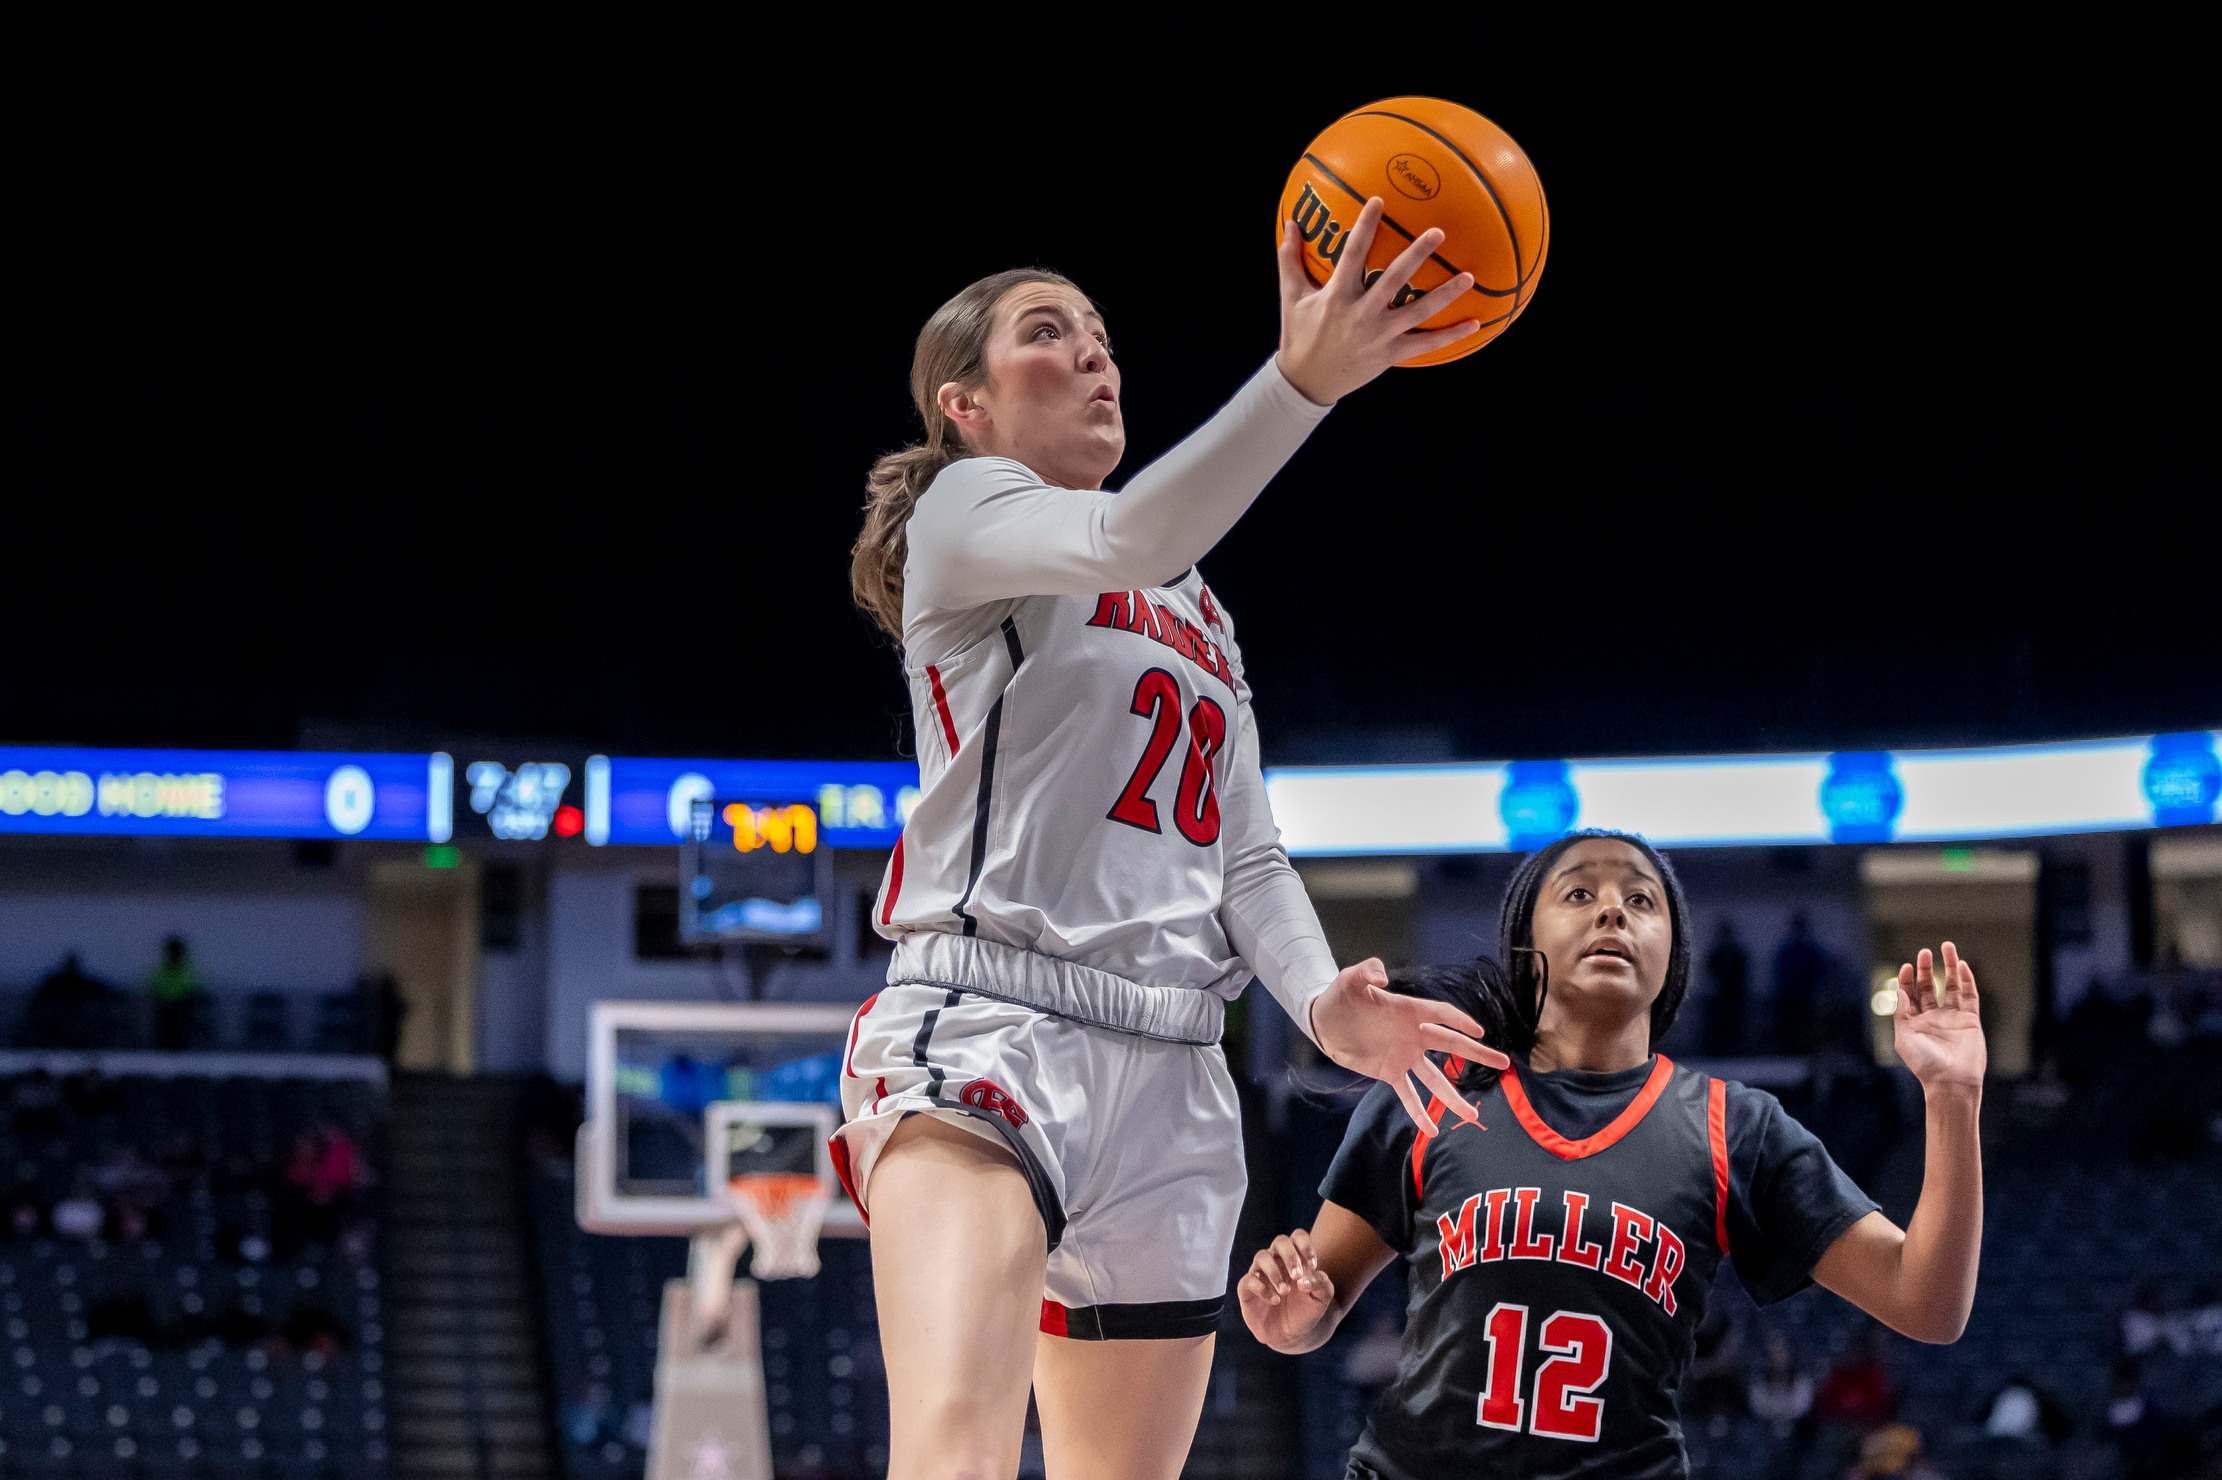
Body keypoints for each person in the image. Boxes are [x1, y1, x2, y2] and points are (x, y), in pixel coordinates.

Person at [835, 200, 1503, 1479]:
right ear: (963, 404)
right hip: (989, 1032)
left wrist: (1320, 1004)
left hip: (1173, 1073)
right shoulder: (967, 512)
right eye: (1049, 333)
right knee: (953, 1457)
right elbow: (1132, 529)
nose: (1097, 354)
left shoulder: (1197, 604)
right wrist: (1301, 381)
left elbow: (1245, 856)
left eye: (1100, 334)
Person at [1236, 830, 1987, 1480]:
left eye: (1642, 900)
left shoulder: (1736, 1127)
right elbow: (1311, 1312)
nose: (1612, 909)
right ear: (1524, 948)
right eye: (1579, 893)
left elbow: (1927, 1303)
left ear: (1672, 960)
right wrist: (1287, 1315)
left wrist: (1952, 1098)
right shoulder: (1434, 1088)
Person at [1771, 913, 1828, 1054]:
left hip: (1807, 997)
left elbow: (1820, 974)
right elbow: (1780, 974)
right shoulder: (1788, 951)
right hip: (1789, 998)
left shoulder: (1811, 951)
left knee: (1807, 1028)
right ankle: (1790, 1050)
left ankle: (1806, 1050)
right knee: (1790, 1028)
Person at [147, 934, 207, 1050]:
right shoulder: (159, 972)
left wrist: (181, 1002)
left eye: (176, 952)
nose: (174, 955)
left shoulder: (189, 972)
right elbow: (154, 989)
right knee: (166, 1025)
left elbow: (195, 992)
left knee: (182, 1023)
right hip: (164, 1010)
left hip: (183, 1011)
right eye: (172, 952)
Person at [1702, 921, 1749, 1055]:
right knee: (1719, 1026)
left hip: (1734, 997)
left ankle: (1734, 1050)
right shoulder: (1717, 954)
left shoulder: (1737, 954)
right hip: (1719, 998)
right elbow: (1710, 974)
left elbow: (1742, 975)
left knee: (1734, 1027)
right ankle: (1718, 1050)